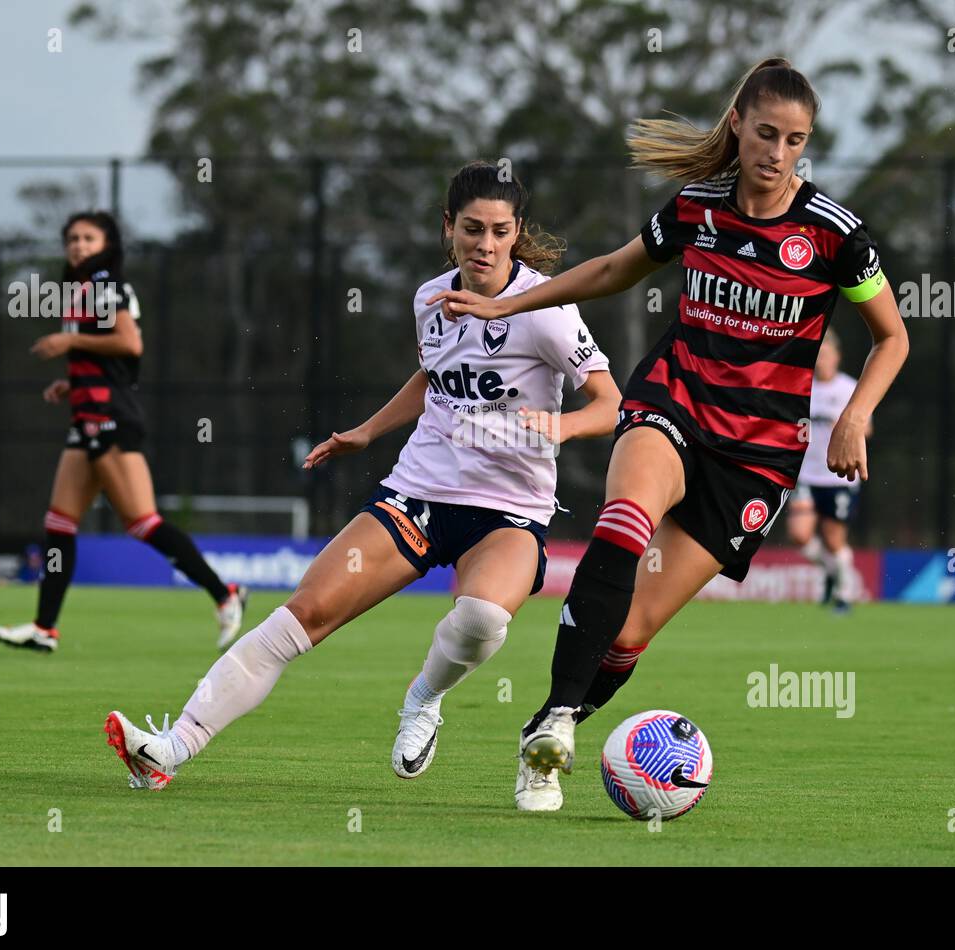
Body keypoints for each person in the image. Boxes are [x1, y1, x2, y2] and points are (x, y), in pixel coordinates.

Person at [430, 57, 909, 810]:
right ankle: (559, 714)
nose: (778, 152)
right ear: (737, 127)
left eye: (795, 140)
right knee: (623, 521)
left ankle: (540, 738)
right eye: (766, 133)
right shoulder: (698, 207)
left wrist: (854, 416)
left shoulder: (833, 233)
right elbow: (614, 269)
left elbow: (892, 338)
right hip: (674, 401)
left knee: (632, 632)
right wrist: (504, 309)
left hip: (758, 457)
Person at [102, 162, 620, 806]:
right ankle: (172, 748)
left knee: (483, 620)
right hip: (418, 494)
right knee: (305, 615)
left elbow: (609, 403)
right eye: (472, 229)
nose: (485, 244)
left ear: (516, 235)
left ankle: (423, 698)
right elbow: (432, 377)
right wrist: (367, 432)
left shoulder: (545, 311)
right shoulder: (430, 298)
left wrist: (561, 426)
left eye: (499, 231)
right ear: (448, 229)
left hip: (510, 511)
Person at [0, 211, 247, 652]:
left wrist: (69, 342)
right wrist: (73, 384)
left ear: (106, 244)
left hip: (112, 418)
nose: (78, 244)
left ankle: (225, 594)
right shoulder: (84, 290)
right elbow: (114, 363)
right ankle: (44, 628)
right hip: (87, 417)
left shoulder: (105, 283)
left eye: (89, 237)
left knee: (143, 523)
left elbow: (130, 343)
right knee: (59, 522)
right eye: (71, 237)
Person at [786, 329, 871, 612]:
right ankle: (834, 573)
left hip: (838, 475)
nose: (821, 360)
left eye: (826, 354)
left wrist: (848, 429)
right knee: (800, 534)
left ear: (837, 357)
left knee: (834, 539)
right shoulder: (801, 387)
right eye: (817, 355)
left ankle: (844, 595)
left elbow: (866, 428)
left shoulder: (849, 388)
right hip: (806, 474)